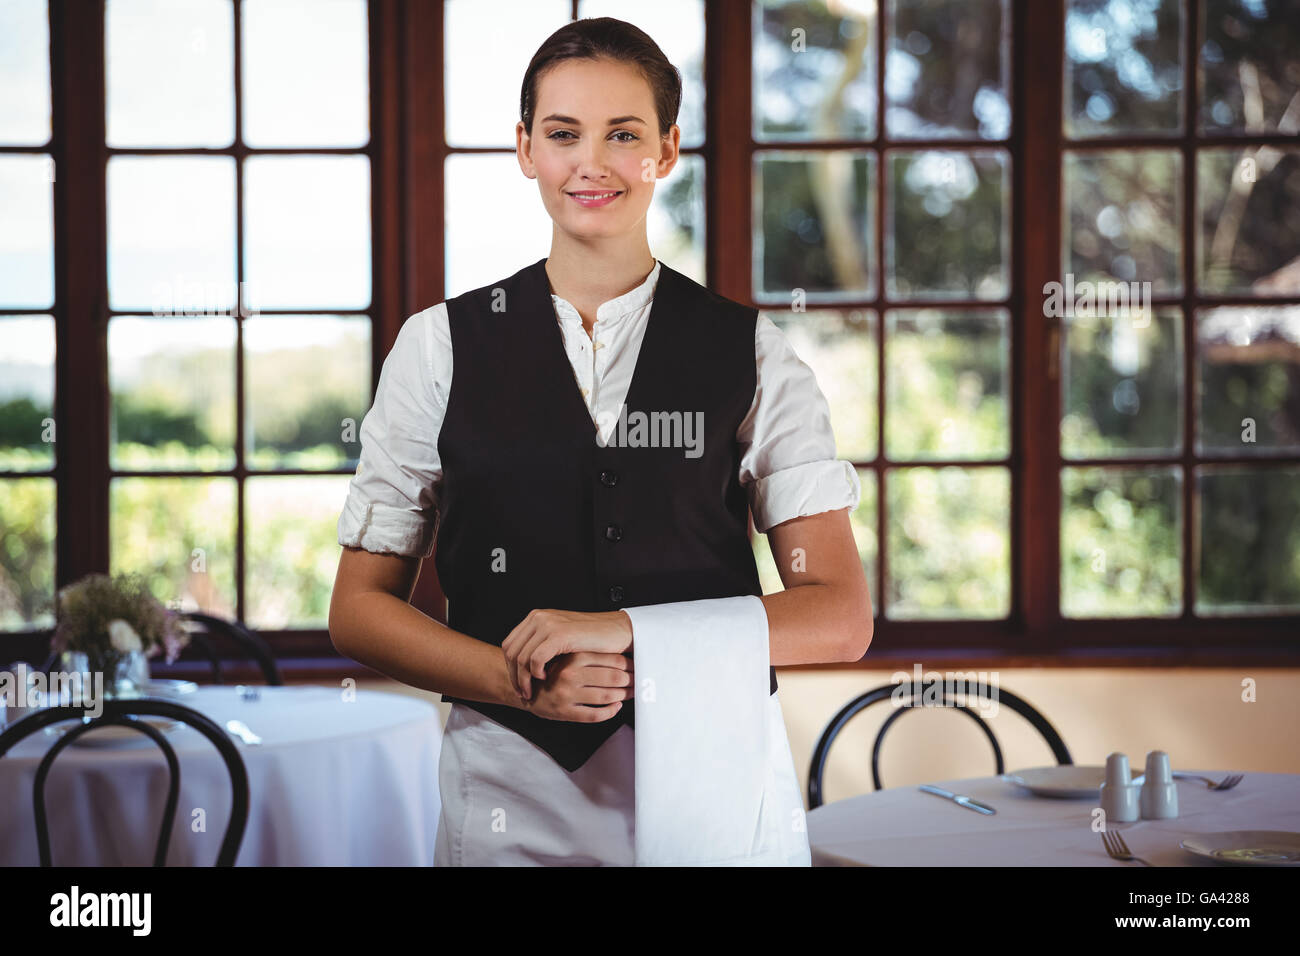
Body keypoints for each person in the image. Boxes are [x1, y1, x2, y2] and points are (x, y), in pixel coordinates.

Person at [329, 16, 872, 866]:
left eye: (624, 134)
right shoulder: (438, 347)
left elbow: (839, 615)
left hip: (716, 785)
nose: (592, 162)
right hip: (511, 789)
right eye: (563, 133)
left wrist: (626, 629)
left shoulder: (755, 351)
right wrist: (517, 680)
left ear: (666, 150)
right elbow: (359, 609)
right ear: (524, 149)